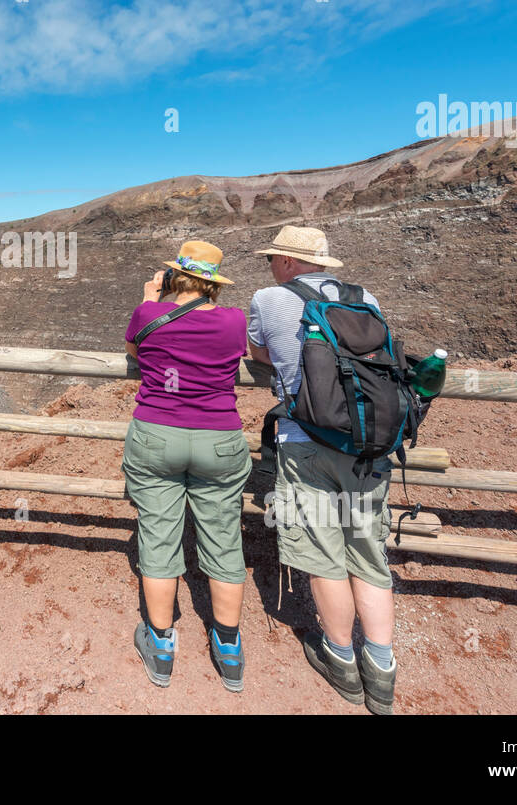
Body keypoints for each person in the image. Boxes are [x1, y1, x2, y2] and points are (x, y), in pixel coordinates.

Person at [247, 225, 397, 714]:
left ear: (289, 262)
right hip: (368, 443)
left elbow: (260, 354)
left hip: (306, 443)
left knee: (322, 552)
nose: (270, 265)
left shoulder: (269, 298)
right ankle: (380, 668)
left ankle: (339, 658)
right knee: (368, 551)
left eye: (274, 258)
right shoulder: (363, 295)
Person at [122, 240, 252, 692]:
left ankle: (160, 645)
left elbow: (138, 353)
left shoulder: (147, 314)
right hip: (219, 439)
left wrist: (148, 298)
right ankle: (229, 648)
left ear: (173, 276)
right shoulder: (234, 320)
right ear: (214, 283)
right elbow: (238, 356)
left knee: (159, 534)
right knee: (222, 535)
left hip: (157, 435)